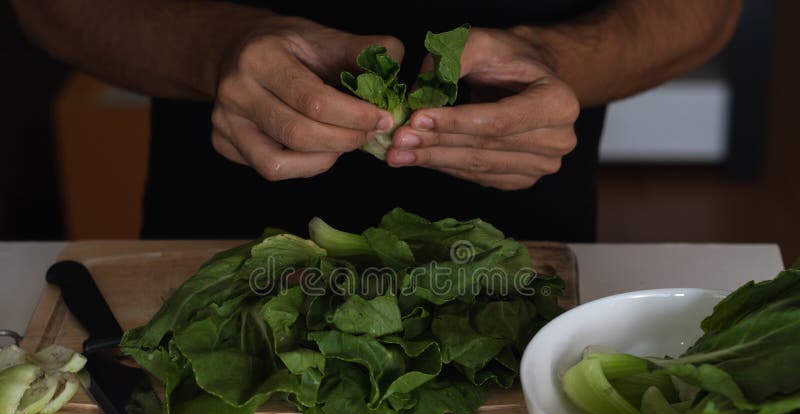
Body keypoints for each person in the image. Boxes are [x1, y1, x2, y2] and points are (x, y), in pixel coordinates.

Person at [11, 1, 741, 240]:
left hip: (518, 256)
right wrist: (217, 53)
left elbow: (707, 11)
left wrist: (555, 60)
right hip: (216, 245)